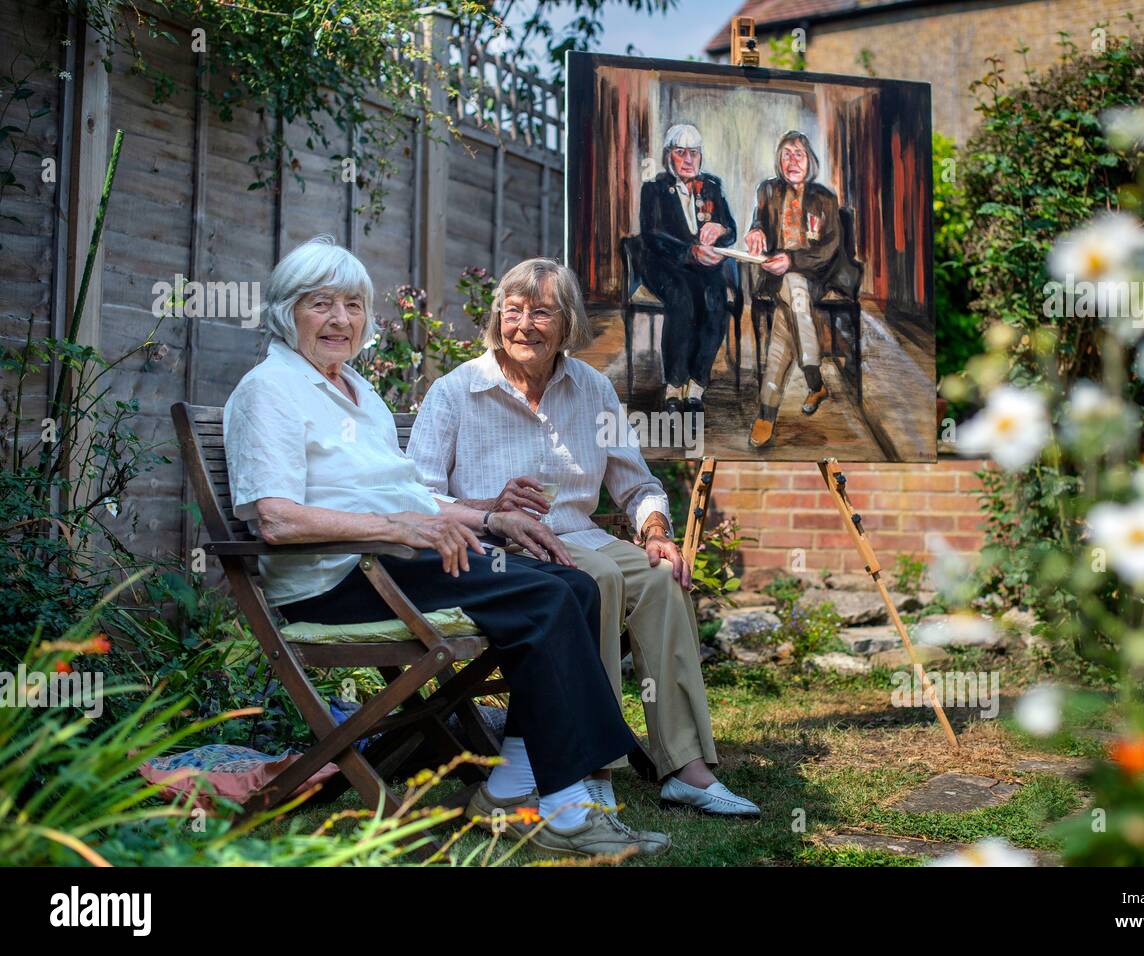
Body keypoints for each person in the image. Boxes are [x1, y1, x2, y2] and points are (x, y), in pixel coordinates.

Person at [223, 236, 670, 858]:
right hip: (337, 582)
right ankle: (570, 810)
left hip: (395, 562)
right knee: (543, 599)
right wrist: (402, 530)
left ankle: (513, 783)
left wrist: (491, 517)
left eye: (353, 305)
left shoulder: (355, 389)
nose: (340, 320)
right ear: (284, 311)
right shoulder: (269, 390)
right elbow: (276, 520)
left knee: (572, 583)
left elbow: (414, 495)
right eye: (320, 304)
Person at [409, 257, 760, 818]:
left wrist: (656, 530)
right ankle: (590, 764)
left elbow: (636, 482)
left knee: (662, 575)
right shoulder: (456, 392)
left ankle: (687, 767)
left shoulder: (590, 387)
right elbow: (418, 499)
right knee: (590, 580)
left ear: (566, 322)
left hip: (579, 532)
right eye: (513, 311)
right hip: (499, 549)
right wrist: (489, 507)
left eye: (540, 312)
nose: (522, 325)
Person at [744, 130, 861, 449]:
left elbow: (830, 250)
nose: (792, 160)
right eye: (786, 154)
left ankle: (766, 414)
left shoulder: (824, 198)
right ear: (778, 161)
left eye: (798, 154)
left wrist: (791, 260)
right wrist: (755, 233)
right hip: (777, 279)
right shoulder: (767, 190)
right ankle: (815, 380)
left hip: (816, 275)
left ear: (810, 161)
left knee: (790, 303)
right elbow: (757, 222)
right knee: (790, 305)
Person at [637, 123, 737, 414]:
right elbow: (653, 235)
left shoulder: (712, 187)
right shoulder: (654, 189)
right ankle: (674, 385)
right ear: (669, 156)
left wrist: (720, 229)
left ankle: (697, 384)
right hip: (666, 263)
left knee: (716, 301)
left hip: (704, 266)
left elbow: (730, 230)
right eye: (681, 152)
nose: (689, 159)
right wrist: (689, 252)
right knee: (682, 299)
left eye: (694, 152)